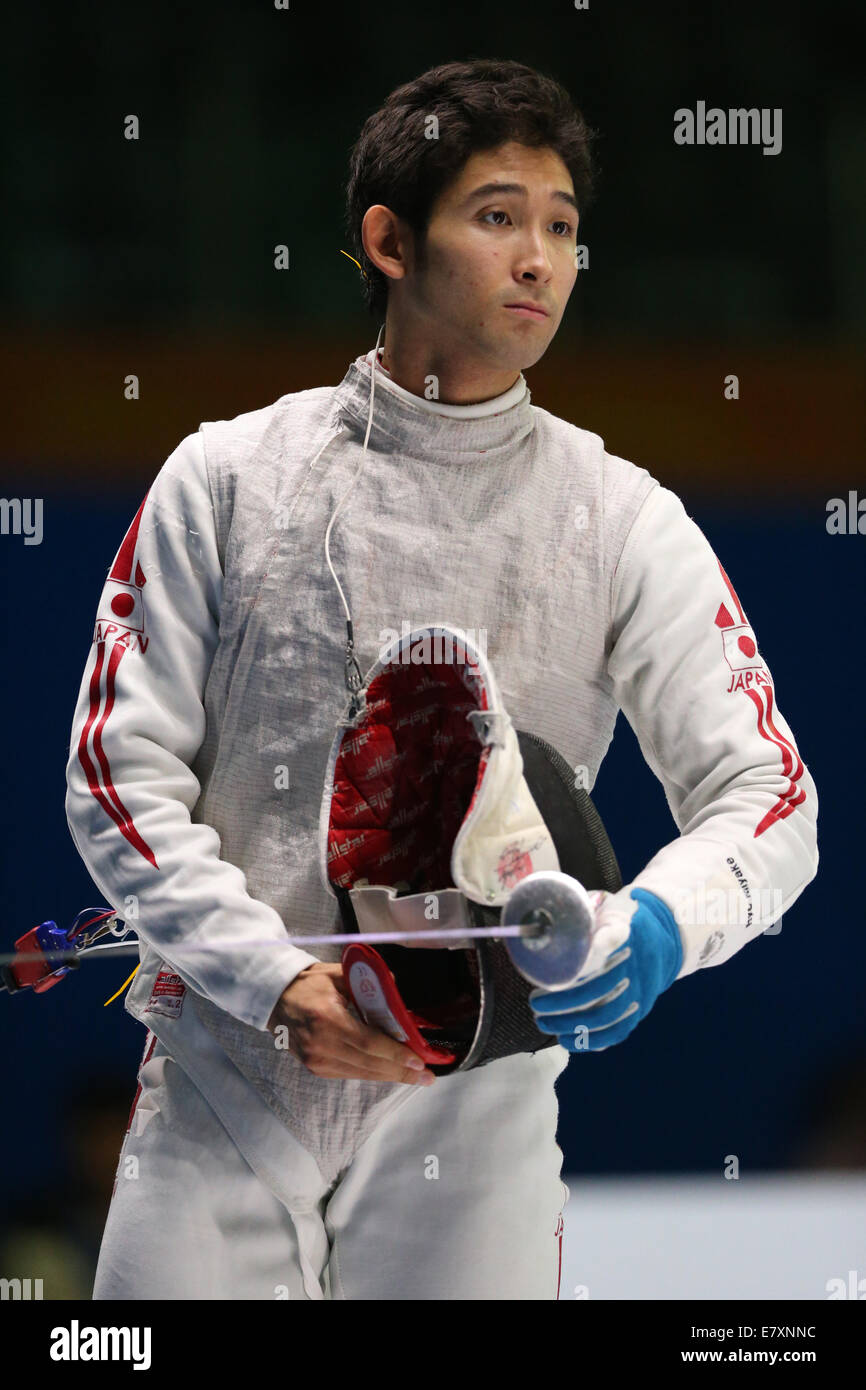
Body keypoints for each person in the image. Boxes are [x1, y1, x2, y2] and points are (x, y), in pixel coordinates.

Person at [65, 58, 819, 1300]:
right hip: (225, 1074)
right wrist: (273, 980)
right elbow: (114, 771)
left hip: (475, 1098)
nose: (539, 258)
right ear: (388, 240)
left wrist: (657, 925)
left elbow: (769, 798)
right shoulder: (226, 476)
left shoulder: (624, 519)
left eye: (564, 229)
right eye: (498, 215)